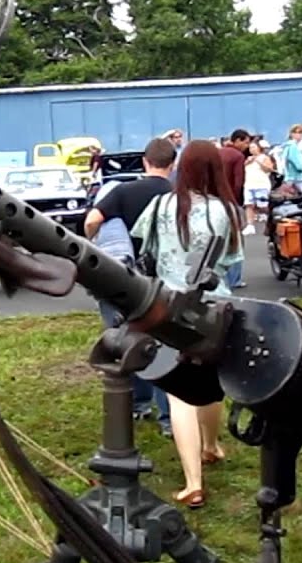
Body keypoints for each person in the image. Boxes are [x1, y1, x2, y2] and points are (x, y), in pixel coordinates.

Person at [130, 139, 243, 509]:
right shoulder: (224, 210)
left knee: (179, 394)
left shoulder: (161, 204)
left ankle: (193, 482)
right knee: (211, 383)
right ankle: (211, 446)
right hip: (214, 307)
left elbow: (143, 248)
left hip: (166, 307)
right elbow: (230, 259)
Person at [82, 137, 177, 437]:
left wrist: (101, 242)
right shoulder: (178, 195)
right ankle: (168, 418)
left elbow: (91, 221)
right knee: (163, 343)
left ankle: (138, 404)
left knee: (125, 338)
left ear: (145, 162)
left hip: (124, 276)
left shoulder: (123, 191)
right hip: (165, 278)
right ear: (172, 165)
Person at [219, 129, 250, 290]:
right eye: (245, 142)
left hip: (217, 201)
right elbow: (239, 183)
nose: (247, 145)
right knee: (236, 242)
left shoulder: (219, 153)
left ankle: (222, 277)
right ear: (237, 140)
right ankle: (234, 279)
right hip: (232, 201)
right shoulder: (237, 156)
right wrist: (238, 202)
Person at [243, 140, 275, 229]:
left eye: (253, 147)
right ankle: (250, 225)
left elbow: (269, 169)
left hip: (261, 184)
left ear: (259, 148)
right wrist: (247, 162)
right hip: (249, 184)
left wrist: (258, 162)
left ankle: (270, 219)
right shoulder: (248, 158)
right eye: (250, 148)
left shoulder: (264, 157)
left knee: (263, 206)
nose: (251, 149)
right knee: (249, 204)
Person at [279, 124, 302, 190]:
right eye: (296, 132)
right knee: (298, 197)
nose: (299, 135)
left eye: (301, 132)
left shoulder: (287, 146)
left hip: (288, 176)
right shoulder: (293, 146)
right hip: (296, 177)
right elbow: (295, 161)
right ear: (291, 134)